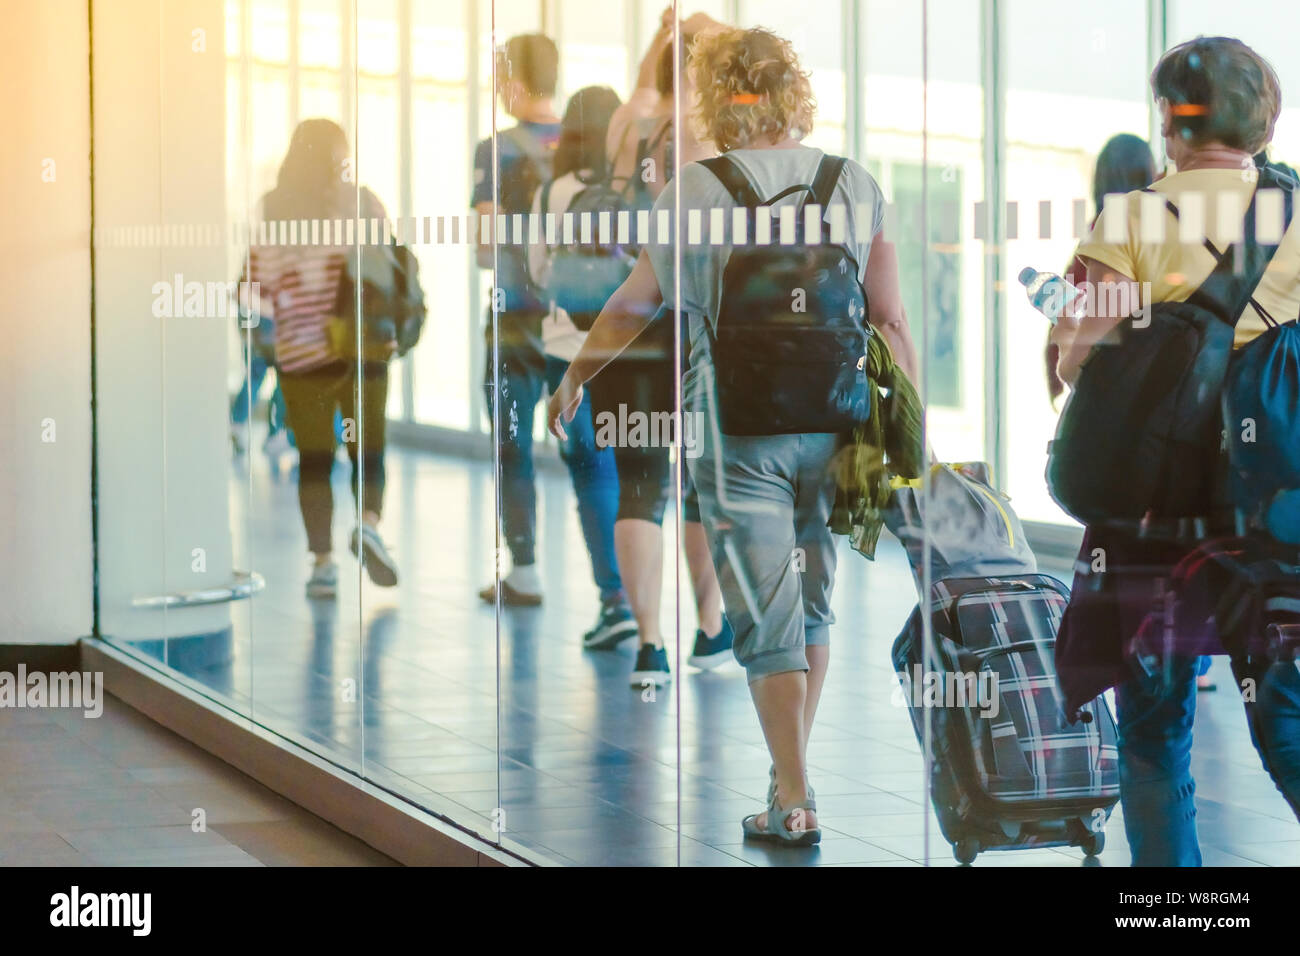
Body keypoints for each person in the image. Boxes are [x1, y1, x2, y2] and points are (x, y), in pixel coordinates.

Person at [548, 26, 918, 842]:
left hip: (735, 428)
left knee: (763, 614)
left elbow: (637, 303)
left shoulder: (696, 188)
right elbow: (889, 318)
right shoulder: (854, 183)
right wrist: (909, 438)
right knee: (812, 604)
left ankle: (792, 789)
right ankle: (793, 780)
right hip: (838, 425)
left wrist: (577, 374)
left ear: (721, 96)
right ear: (797, 92)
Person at [1051, 36, 1300, 865]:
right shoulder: (1295, 209)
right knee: (1288, 718)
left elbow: (1071, 352)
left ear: (1172, 119)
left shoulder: (1133, 216)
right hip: (1274, 510)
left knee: (1156, 729)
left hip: (1152, 509)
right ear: (1263, 116)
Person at [590, 9, 732, 687]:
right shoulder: (711, 130)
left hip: (632, 318)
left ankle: (650, 645)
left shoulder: (632, 119)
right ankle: (711, 632)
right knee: (703, 483)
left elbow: (649, 85)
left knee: (639, 486)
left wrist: (664, 38)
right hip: (700, 321)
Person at [247, 118, 402, 599]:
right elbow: (390, 270)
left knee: (315, 460)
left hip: (301, 355)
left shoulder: (273, 209)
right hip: (363, 349)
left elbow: (256, 286)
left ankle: (322, 563)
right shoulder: (364, 202)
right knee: (368, 449)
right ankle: (370, 524)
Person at [525, 84, 637, 650]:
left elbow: (540, 272)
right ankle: (647, 603)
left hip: (568, 348)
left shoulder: (553, 193)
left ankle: (614, 598)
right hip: (632, 350)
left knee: (591, 472)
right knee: (638, 475)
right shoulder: (636, 188)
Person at [472, 33, 562, 609]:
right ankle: (621, 601)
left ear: (516, 81)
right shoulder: (585, 143)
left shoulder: (494, 150)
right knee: (593, 459)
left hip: (512, 320)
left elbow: (485, 247)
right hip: (577, 323)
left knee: (513, 447)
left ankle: (525, 572)